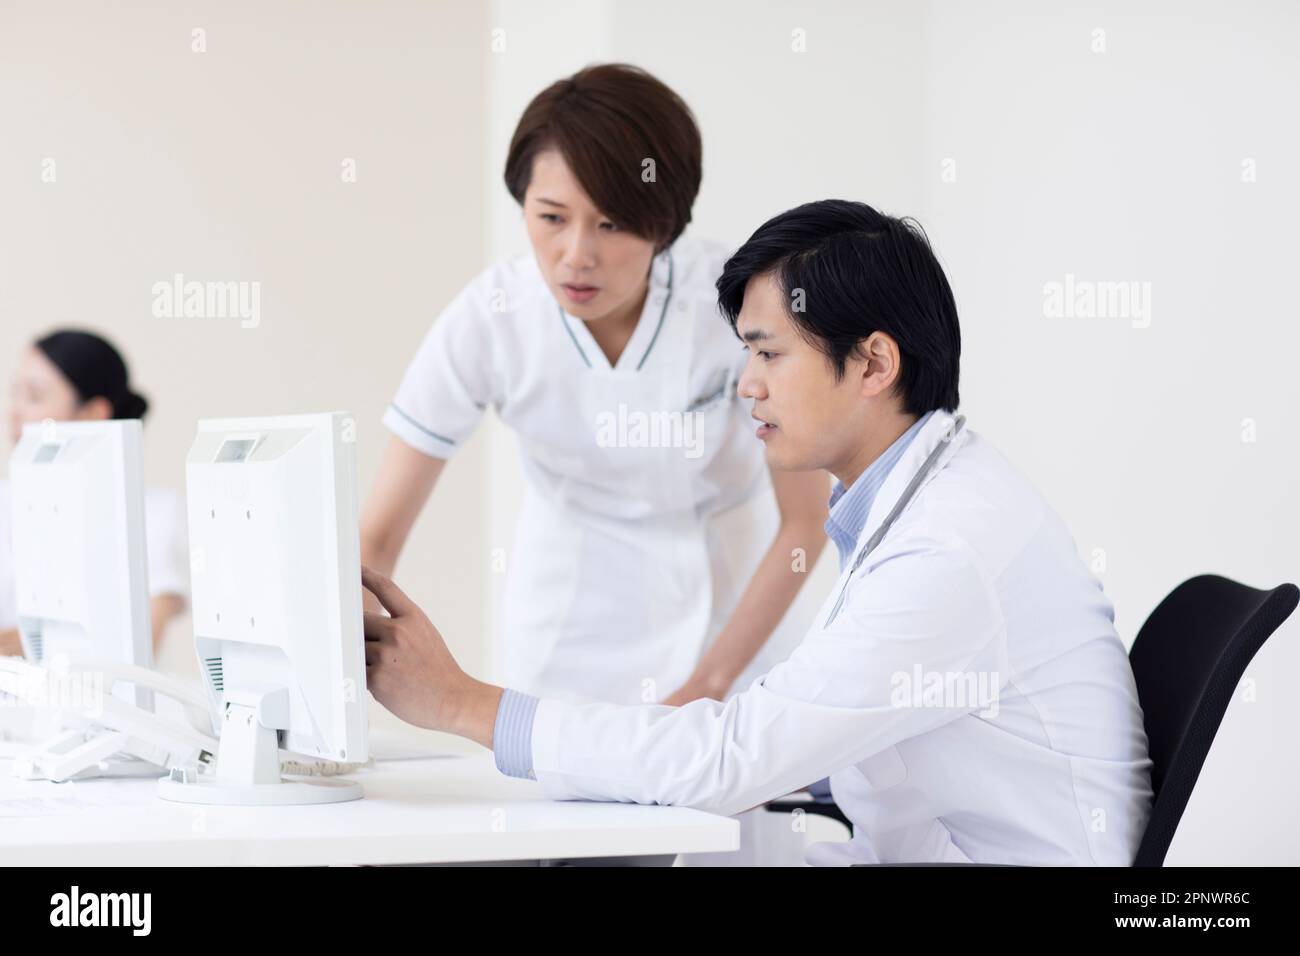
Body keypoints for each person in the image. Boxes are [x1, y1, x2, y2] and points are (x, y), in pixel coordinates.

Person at [359, 199, 1154, 866]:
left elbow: (730, 758)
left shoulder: (948, 550)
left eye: (769, 352)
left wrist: (463, 704)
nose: (747, 384)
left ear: (875, 364)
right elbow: (771, 746)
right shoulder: (928, 499)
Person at [362, 64, 828, 707]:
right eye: (551, 217)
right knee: (561, 795)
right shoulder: (491, 319)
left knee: (729, 799)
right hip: (568, 629)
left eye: (611, 224)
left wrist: (712, 684)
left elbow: (807, 520)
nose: (576, 254)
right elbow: (376, 538)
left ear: (666, 222)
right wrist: (333, 675)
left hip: (736, 616)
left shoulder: (735, 304)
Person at [1, 329, 189, 658]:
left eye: (34, 396)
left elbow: (136, 648)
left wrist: (26, 642)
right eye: (14, 393)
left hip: (98, 707)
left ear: (93, 413)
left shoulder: (153, 514)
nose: (14, 412)